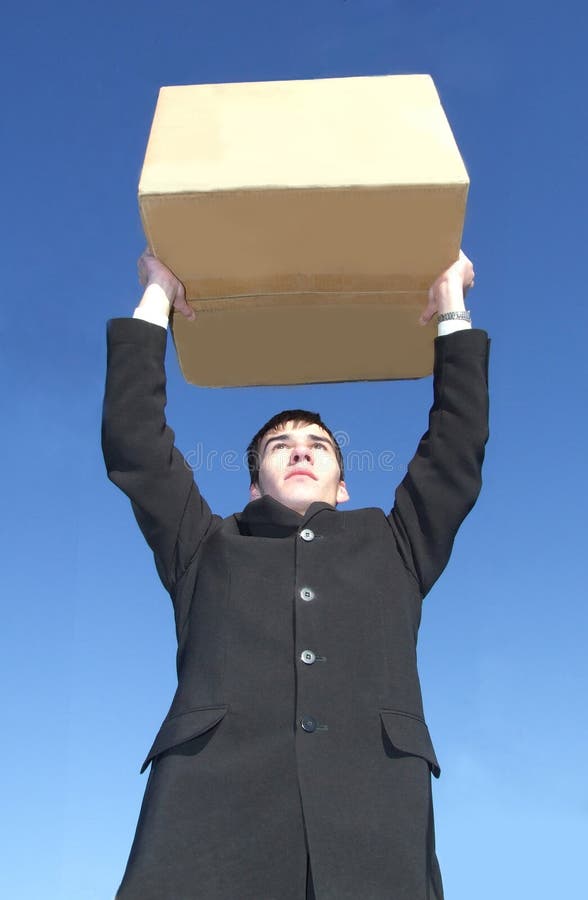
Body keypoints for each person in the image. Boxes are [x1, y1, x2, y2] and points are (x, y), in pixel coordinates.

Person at [102, 248, 489, 900]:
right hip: (208, 832)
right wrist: (157, 298)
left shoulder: (396, 544)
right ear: (254, 486)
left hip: (373, 829)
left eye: (320, 444)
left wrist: (450, 303)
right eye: (280, 445)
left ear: (343, 486)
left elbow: (457, 445)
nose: (302, 447)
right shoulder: (203, 545)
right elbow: (134, 441)